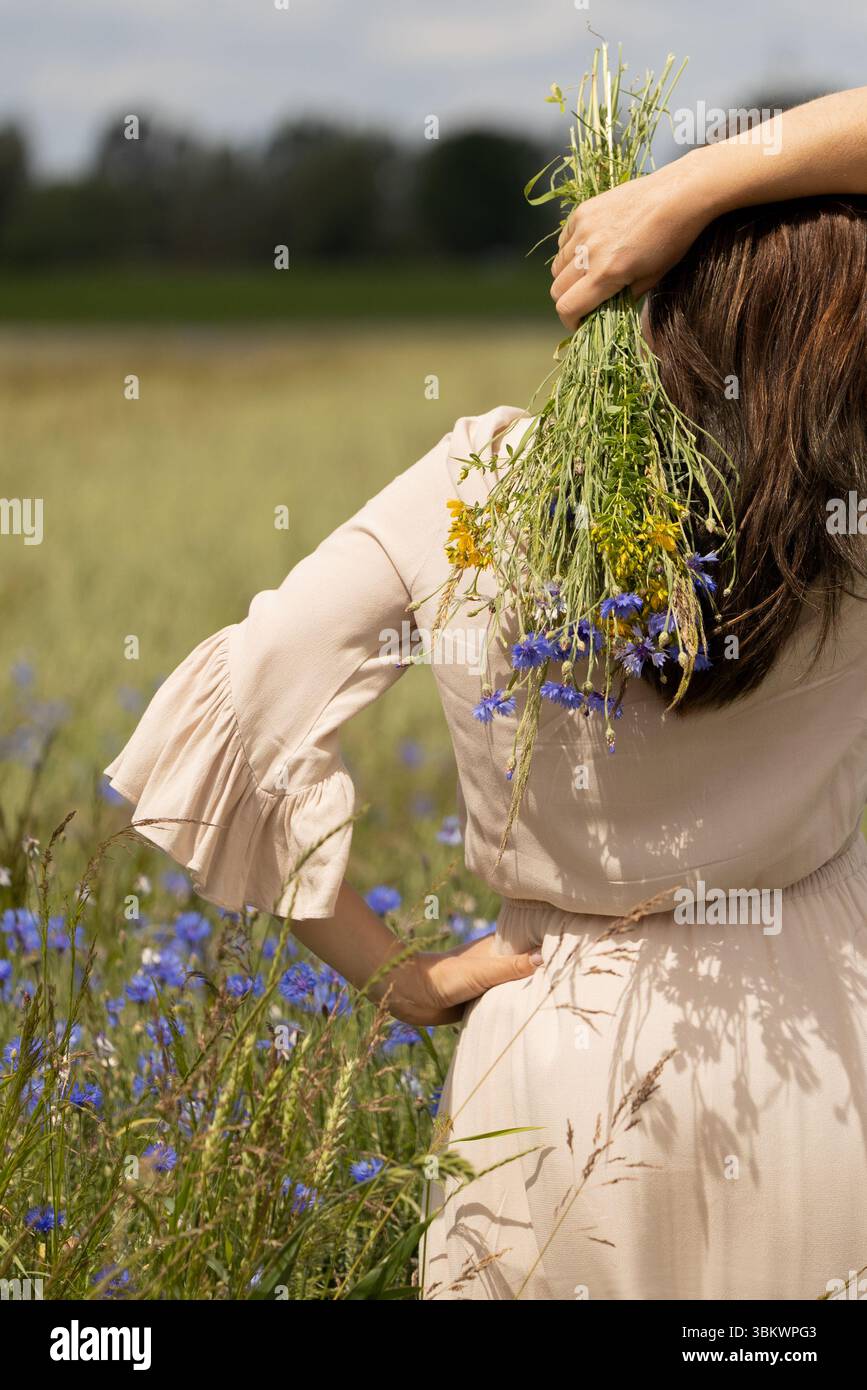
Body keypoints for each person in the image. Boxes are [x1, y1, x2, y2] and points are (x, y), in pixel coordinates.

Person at [105, 90, 867, 1300]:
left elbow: (244, 709)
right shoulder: (852, 509)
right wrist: (698, 193)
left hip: (555, 1044)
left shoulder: (483, 483)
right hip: (822, 1039)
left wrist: (399, 981)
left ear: (667, 296)